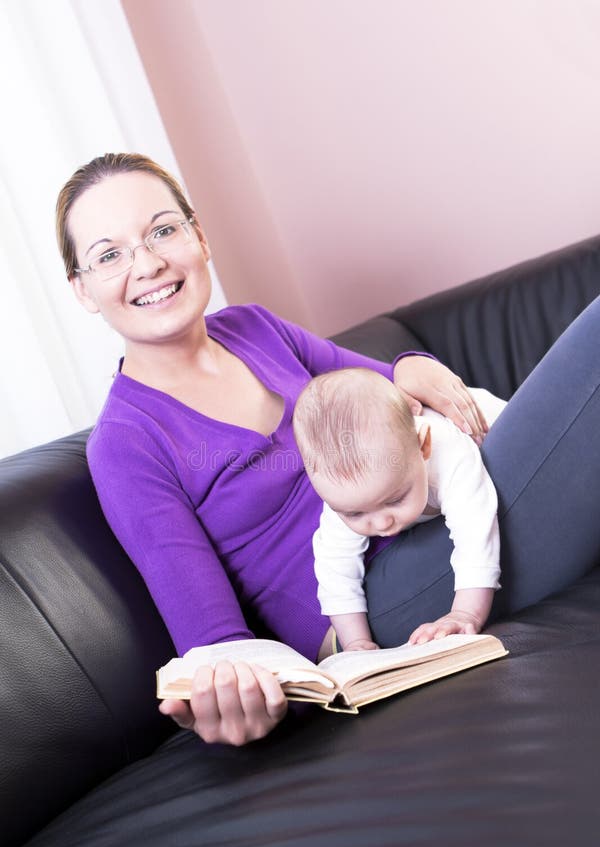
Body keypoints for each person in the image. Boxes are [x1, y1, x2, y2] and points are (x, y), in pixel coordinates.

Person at [56, 152, 600, 747]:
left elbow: (389, 396)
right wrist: (236, 688)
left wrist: (412, 365)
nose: (150, 263)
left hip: (437, 525)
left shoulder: (256, 328)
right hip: (369, 607)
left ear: (200, 236)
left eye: (164, 230)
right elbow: (211, 637)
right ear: (82, 290)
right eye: (109, 255)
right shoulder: (126, 443)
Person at [292, 368, 507, 651]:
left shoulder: (450, 455)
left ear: (423, 445)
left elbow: (476, 533)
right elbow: (335, 572)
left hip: (496, 425)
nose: (382, 524)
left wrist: (465, 613)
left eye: (395, 500)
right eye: (356, 514)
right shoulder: (345, 499)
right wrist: (356, 642)